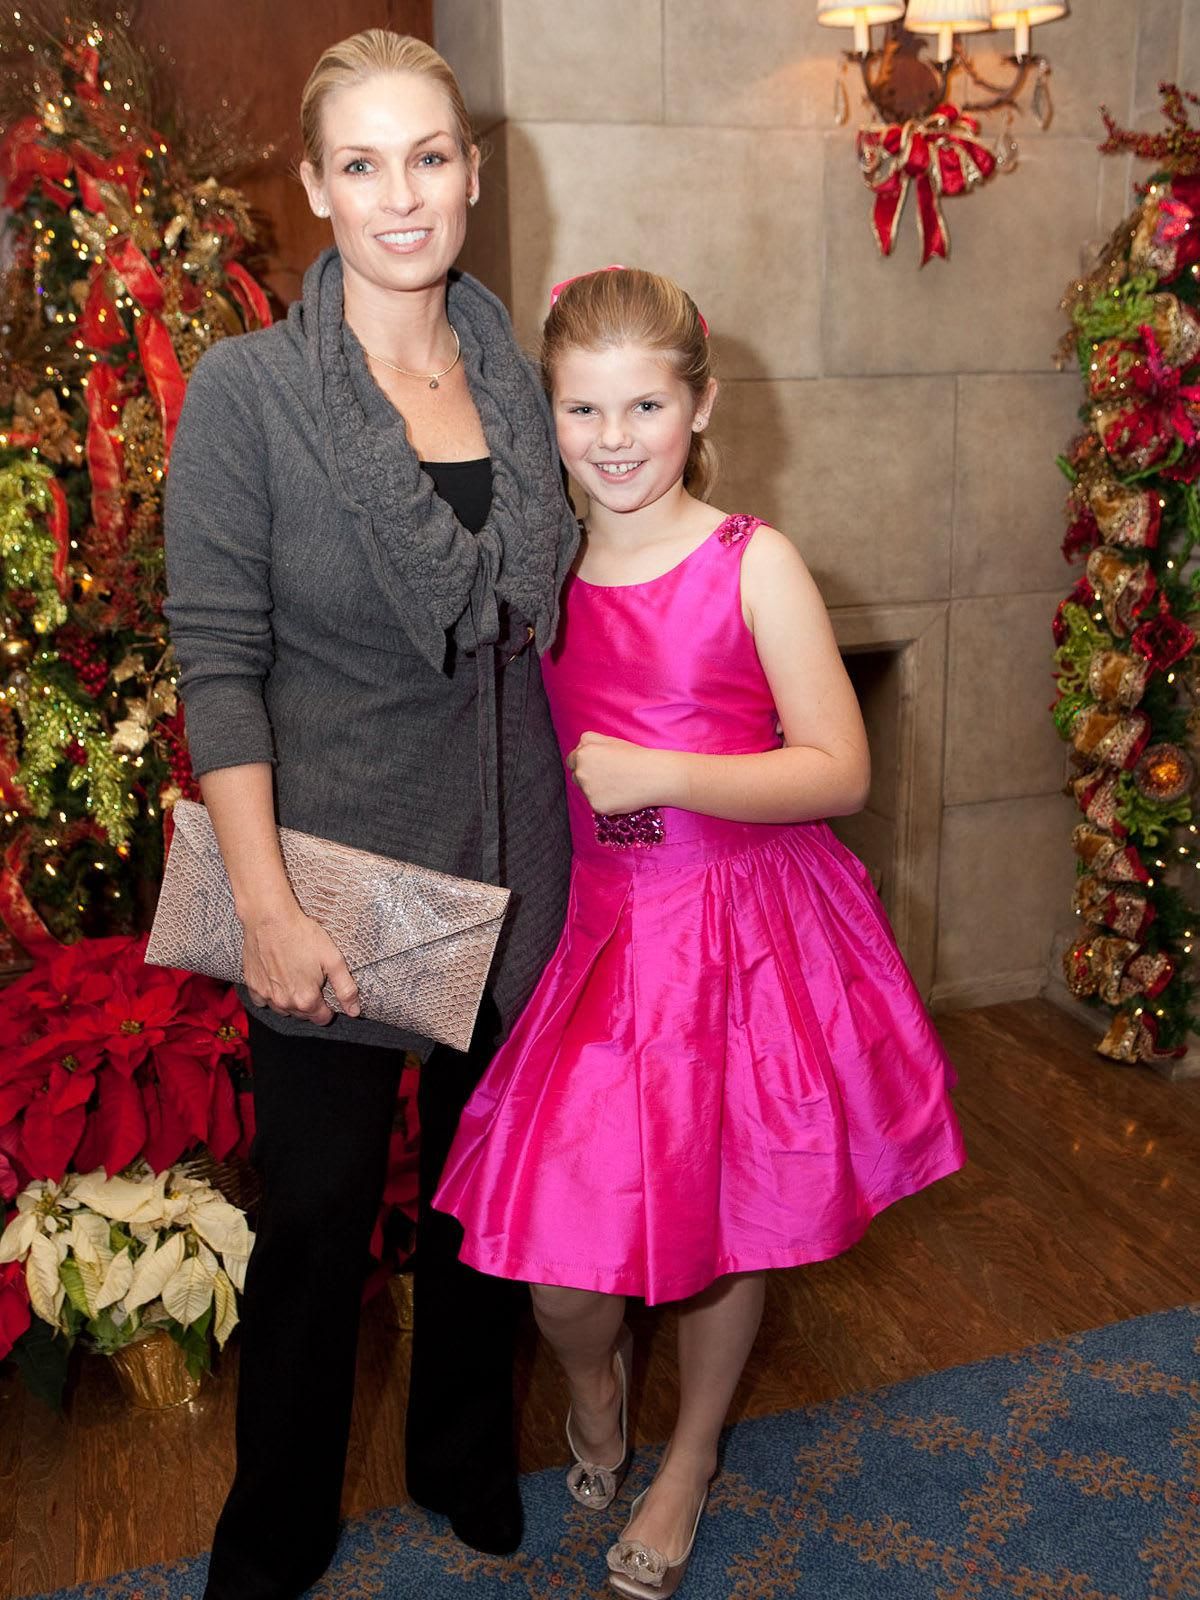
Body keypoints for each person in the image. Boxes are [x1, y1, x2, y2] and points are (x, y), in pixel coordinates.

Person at [435, 266, 967, 1598]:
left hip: (739, 932)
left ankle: (692, 1457)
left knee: (734, 1221)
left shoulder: (754, 562)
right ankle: (600, 1396)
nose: (615, 439)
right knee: (565, 1265)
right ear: (544, 418)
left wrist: (670, 776)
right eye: (582, 410)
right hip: (603, 943)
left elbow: (839, 768)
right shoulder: (545, 567)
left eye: (646, 405)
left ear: (701, 404)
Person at [162, 30, 578, 1600]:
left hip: (516, 861)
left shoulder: (520, 384)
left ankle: (464, 1457)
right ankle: (276, 1520)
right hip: (330, 874)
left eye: (427, 158)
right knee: (321, 1224)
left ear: (471, 172)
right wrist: (263, 903)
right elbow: (223, 661)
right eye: (360, 164)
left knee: (483, 1206)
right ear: (315, 190)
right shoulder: (248, 392)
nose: (399, 196)